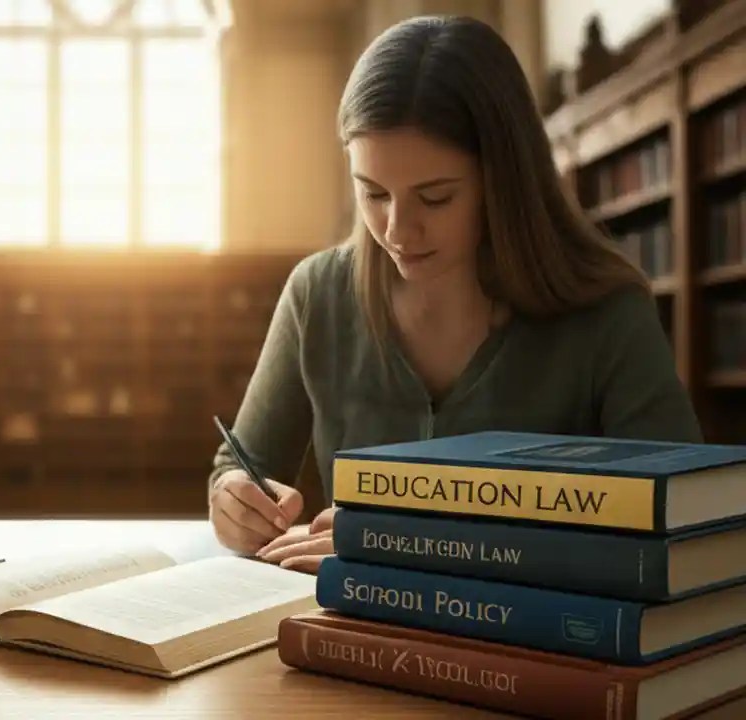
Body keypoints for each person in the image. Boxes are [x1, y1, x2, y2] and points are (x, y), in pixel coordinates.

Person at [207, 15, 703, 575]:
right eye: (372, 193)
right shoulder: (316, 294)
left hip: (539, 647)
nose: (396, 230)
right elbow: (240, 464)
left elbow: (680, 515)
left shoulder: (606, 313)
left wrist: (410, 544)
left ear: (504, 182)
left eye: (435, 198)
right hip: (346, 643)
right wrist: (232, 498)